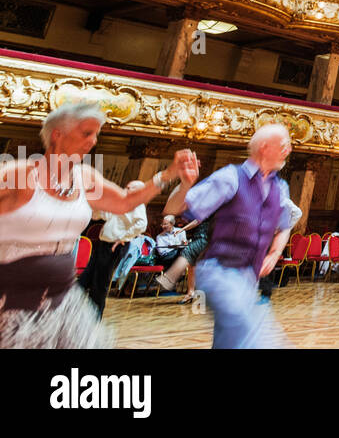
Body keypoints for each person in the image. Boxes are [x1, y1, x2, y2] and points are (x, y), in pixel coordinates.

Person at [0, 103, 198, 347]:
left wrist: (168, 175)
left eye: (96, 134)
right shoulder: (20, 174)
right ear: (57, 134)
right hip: (11, 300)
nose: (93, 141)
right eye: (86, 133)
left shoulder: (84, 177)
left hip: (61, 302)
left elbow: (126, 202)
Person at [164, 123, 296, 349]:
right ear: (265, 148)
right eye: (284, 145)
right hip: (219, 272)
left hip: (248, 279)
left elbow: (285, 225)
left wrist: (274, 253)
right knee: (258, 336)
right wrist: (185, 184)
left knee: (229, 342)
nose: (289, 150)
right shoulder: (231, 178)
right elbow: (174, 207)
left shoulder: (280, 187)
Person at [77, 180, 148, 315]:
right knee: (85, 278)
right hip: (104, 244)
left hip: (115, 246)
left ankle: (94, 317)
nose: (125, 188)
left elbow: (142, 224)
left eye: (130, 187)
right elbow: (102, 215)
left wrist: (123, 237)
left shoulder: (137, 204)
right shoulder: (122, 203)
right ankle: (75, 311)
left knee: (99, 282)